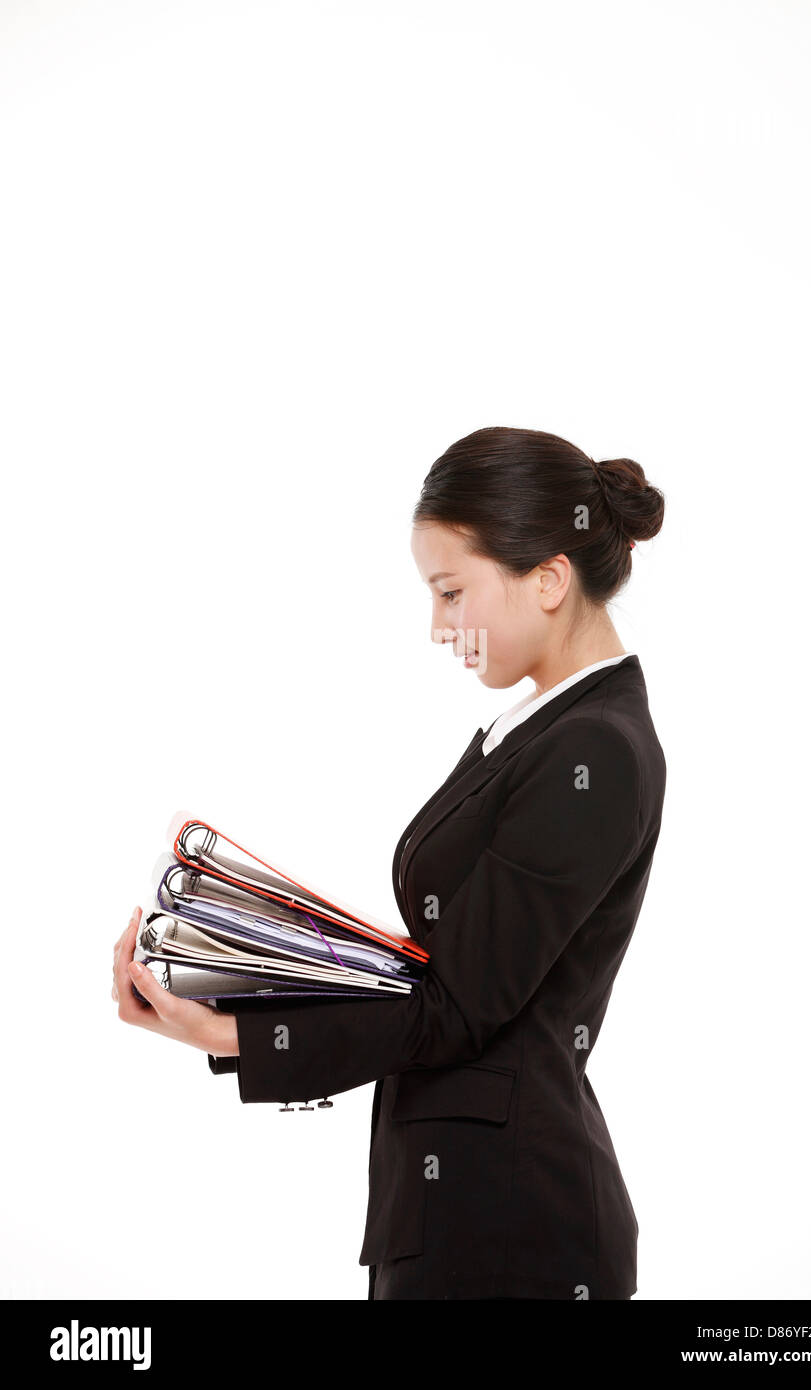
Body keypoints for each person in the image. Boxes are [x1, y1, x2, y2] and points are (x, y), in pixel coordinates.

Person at [113, 425, 666, 1300]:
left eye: (452, 593)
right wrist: (242, 978)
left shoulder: (591, 748)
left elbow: (455, 1009)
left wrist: (235, 1033)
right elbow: (439, 980)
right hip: (458, 1209)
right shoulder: (539, 729)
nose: (439, 627)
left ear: (549, 579)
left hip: (512, 1231)